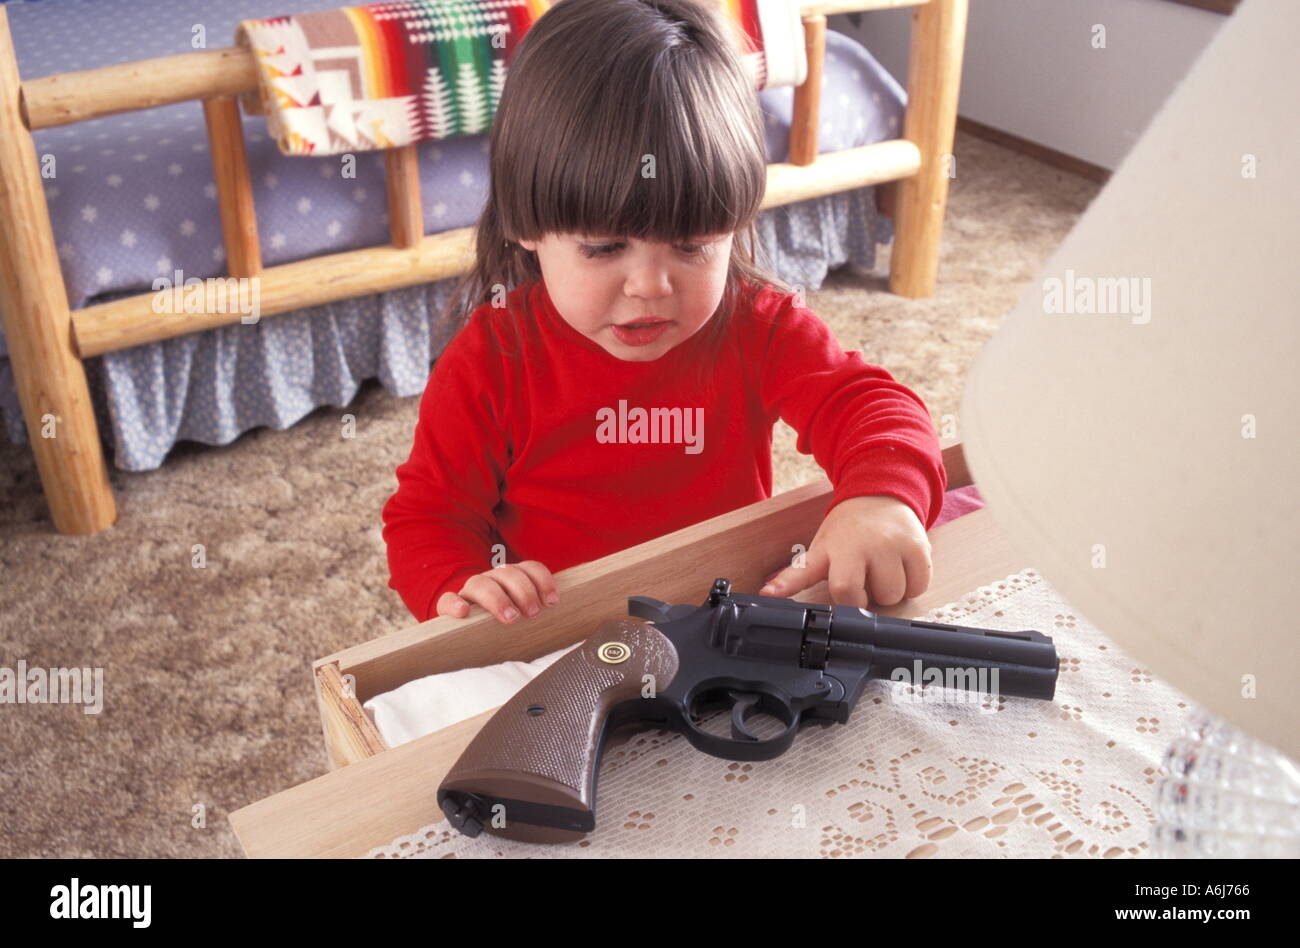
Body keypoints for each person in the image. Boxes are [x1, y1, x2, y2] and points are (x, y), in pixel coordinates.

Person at [382, 0, 947, 625]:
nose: (651, 286)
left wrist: (877, 498)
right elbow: (428, 519)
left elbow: (874, 408)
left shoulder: (759, 323)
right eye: (603, 247)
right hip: (554, 639)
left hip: (722, 623)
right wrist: (462, 586)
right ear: (525, 224)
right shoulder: (492, 358)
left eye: (693, 245)